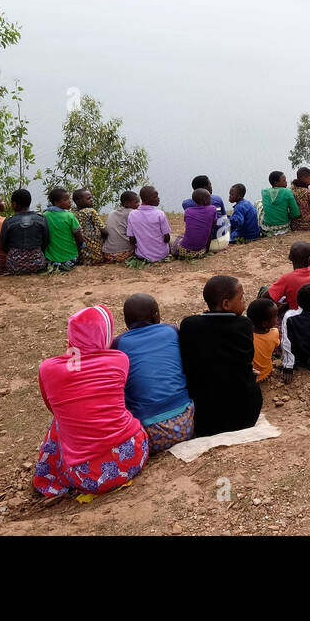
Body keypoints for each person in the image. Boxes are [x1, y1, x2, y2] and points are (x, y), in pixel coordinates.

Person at [33, 305, 148, 497]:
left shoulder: (48, 368)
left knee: (60, 422)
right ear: (104, 333)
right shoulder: (119, 360)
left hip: (87, 478)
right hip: (134, 455)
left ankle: (46, 476)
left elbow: (53, 409)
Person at [178, 276, 262, 437]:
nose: (244, 301)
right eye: (241, 297)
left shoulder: (189, 325)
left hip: (205, 420)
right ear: (226, 304)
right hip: (245, 414)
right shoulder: (244, 325)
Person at [113, 293, 195, 452]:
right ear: (156, 316)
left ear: (126, 322)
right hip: (186, 423)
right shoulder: (171, 331)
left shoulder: (118, 343)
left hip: (147, 434)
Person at [266, 240, 310, 322]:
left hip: (299, 327)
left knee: (265, 291)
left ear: (290, 258)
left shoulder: (286, 279)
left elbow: (265, 299)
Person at [0, 188, 50, 274]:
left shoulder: (9, 221)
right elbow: (46, 241)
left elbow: (3, 245)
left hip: (14, 266)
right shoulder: (41, 219)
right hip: (37, 264)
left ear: (15, 204)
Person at [127, 186, 173, 263]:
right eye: (155, 197)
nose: (158, 198)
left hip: (142, 255)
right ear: (147, 199)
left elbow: (132, 240)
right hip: (161, 255)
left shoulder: (132, 214)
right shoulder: (159, 214)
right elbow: (167, 238)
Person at [44, 187, 84, 270]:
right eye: (66, 199)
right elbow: (79, 239)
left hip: (51, 259)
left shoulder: (45, 215)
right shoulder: (70, 216)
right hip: (70, 258)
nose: (70, 201)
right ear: (56, 202)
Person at [175, 187, 219, 259]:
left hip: (184, 251)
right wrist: (206, 250)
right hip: (201, 252)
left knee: (175, 239)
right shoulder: (212, 209)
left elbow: (189, 225)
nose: (211, 200)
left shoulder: (188, 211)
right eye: (209, 198)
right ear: (205, 200)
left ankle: (178, 255)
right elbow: (211, 229)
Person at [67, 189, 107, 266]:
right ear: (78, 201)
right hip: (96, 254)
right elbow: (104, 231)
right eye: (89, 198)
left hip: (82, 256)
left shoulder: (73, 214)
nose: (92, 200)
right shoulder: (91, 211)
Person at [247, 297, 279, 382]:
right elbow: (276, 345)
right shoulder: (275, 333)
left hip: (252, 377)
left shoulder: (246, 336)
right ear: (264, 324)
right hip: (266, 372)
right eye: (275, 316)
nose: (277, 318)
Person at [102, 190, 139, 263]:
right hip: (122, 254)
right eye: (136, 202)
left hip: (107, 254)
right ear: (127, 204)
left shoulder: (112, 212)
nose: (138, 205)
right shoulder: (132, 213)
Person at [261, 170, 300, 237]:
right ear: (276, 183)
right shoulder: (287, 192)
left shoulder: (264, 192)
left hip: (268, 228)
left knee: (259, 204)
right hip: (283, 227)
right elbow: (296, 213)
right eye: (284, 180)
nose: (286, 182)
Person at [289, 167, 310, 231]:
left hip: (293, 224)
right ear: (303, 178)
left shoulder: (289, 190)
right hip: (307, 225)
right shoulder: (308, 192)